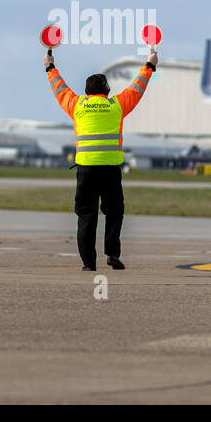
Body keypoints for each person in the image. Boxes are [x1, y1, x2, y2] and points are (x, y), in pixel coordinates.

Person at [44, 47, 158, 271]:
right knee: (114, 212)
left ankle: (88, 264)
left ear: (87, 91)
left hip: (86, 170)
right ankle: (112, 254)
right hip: (110, 169)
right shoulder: (116, 106)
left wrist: (50, 66)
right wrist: (149, 65)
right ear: (107, 90)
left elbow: (59, 87)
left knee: (86, 216)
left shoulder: (77, 106)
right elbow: (137, 87)